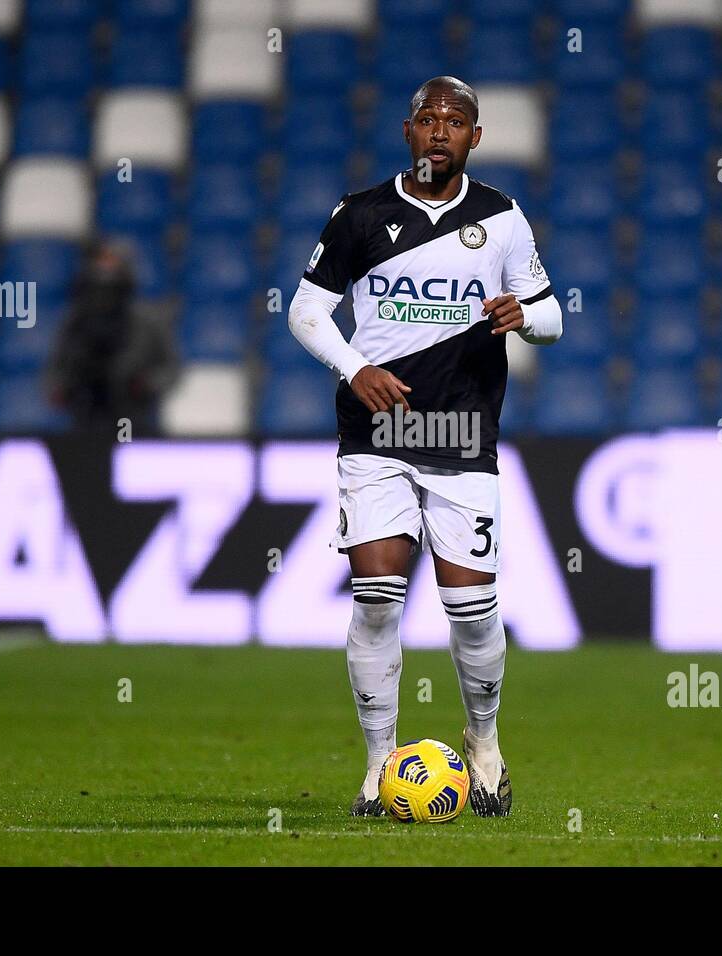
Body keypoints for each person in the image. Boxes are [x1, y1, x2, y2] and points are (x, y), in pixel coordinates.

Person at [287, 76, 563, 817]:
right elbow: (306, 312)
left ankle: (484, 739)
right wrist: (357, 368)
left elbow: (552, 317)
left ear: (476, 137)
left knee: (470, 610)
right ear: (407, 132)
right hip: (376, 433)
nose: (440, 130)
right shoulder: (360, 214)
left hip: (462, 433)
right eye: (428, 118)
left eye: (457, 121)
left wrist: (522, 314)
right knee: (378, 602)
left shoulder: (502, 218)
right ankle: (380, 763)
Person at [48, 240, 178, 432]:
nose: (105, 276)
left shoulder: (148, 321)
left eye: (112, 266)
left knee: (127, 451)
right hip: (86, 418)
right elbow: (55, 370)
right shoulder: (76, 322)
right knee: (86, 457)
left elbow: (171, 370)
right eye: (100, 266)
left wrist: (144, 384)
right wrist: (63, 388)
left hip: (132, 418)